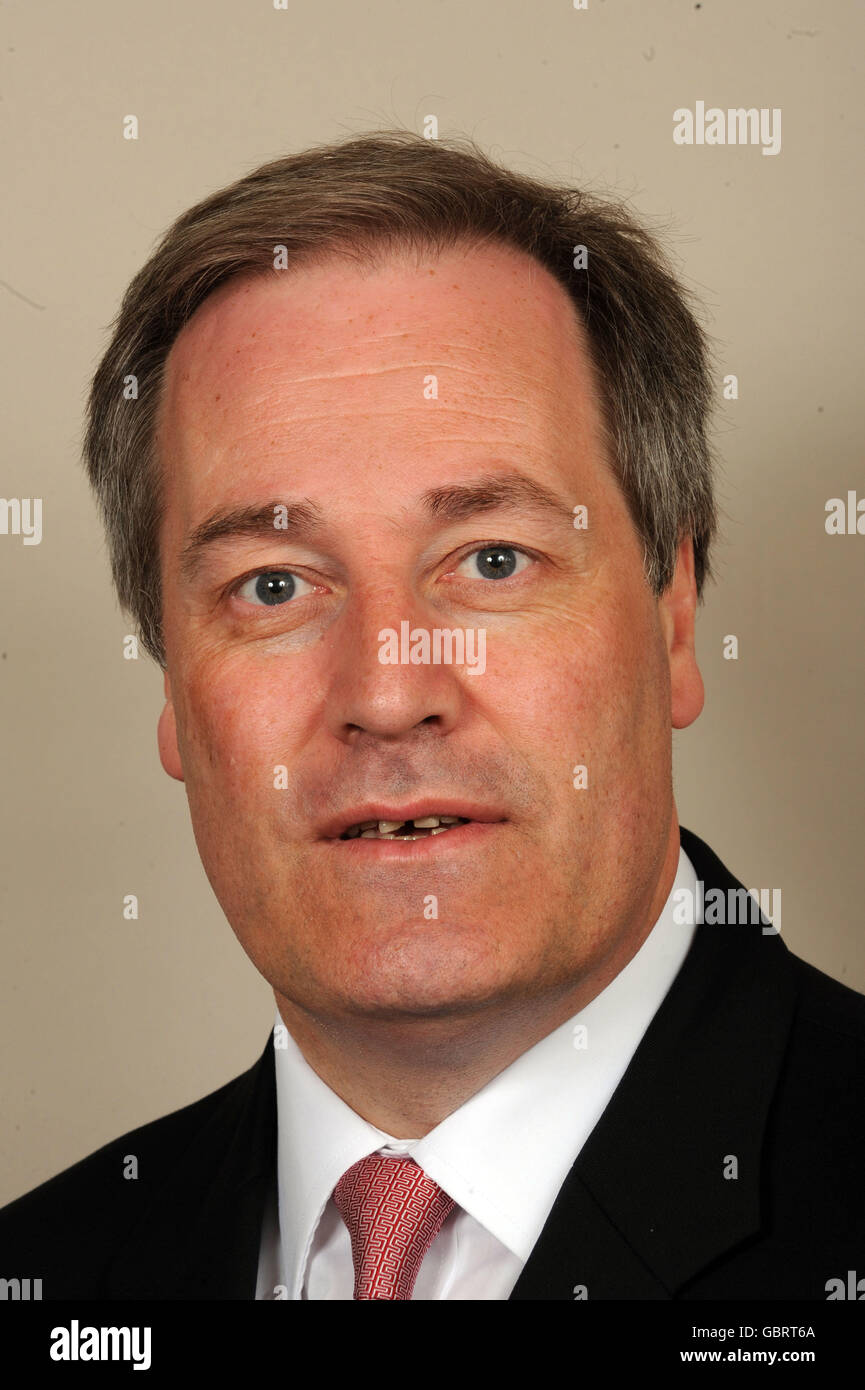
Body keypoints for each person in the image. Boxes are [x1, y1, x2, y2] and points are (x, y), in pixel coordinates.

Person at [1, 130, 862, 1301]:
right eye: (271, 586)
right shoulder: (48, 1276)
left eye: (492, 559)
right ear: (170, 684)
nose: (389, 691)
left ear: (672, 616)